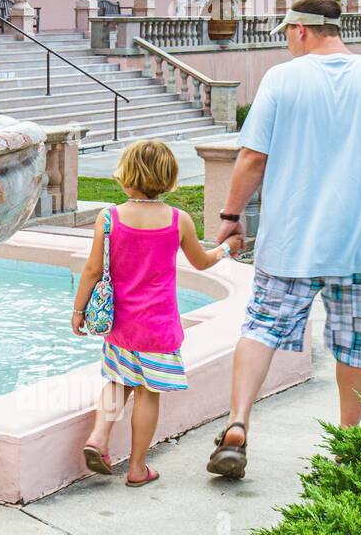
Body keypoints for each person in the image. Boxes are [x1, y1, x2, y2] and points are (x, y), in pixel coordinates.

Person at [206, 0, 361, 479]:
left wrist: (230, 215)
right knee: (355, 346)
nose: (287, 42)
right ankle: (346, 444)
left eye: (286, 33)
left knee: (261, 330)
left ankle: (238, 425)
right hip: (360, 245)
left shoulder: (282, 80)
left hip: (289, 244)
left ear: (300, 30)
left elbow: (252, 158)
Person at [72, 140, 242, 487]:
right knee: (148, 393)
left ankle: (99, 437)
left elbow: (92, 269)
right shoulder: (178, 220)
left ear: (125, 176)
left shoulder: (109, 217)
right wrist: (226, 248)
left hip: (121, 325)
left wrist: (79, 310)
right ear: (168, 178)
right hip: (158, 330)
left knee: (117, 381)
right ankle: (137, 468)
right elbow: (201, 262)